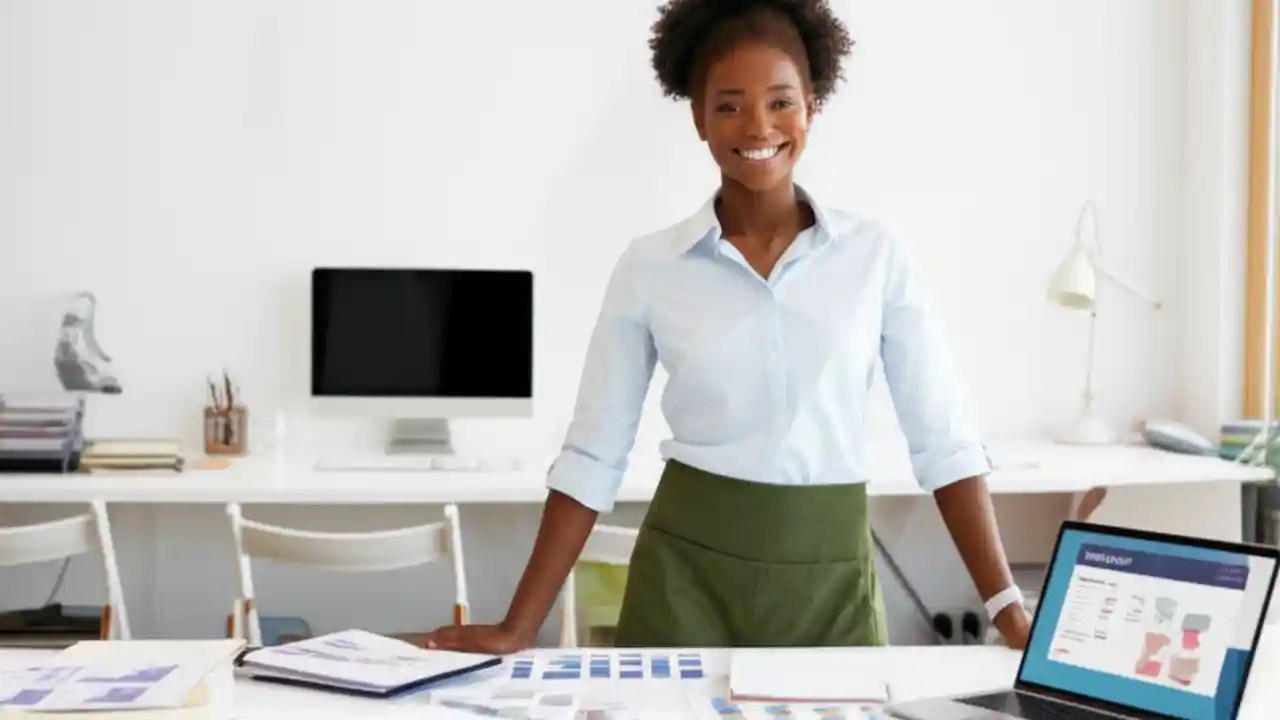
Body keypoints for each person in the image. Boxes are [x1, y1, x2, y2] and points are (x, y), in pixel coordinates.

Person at [427, 0, 1031, 652]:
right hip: (685, 584)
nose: (757, 125)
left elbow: (945, 444)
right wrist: (520, 626)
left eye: (780, 102)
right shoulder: (650, 266)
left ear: (811, 107)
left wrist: (1006, 608)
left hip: (828, 584)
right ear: (697, 118)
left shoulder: (876, 257)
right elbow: (593, 454)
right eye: (729, 105)